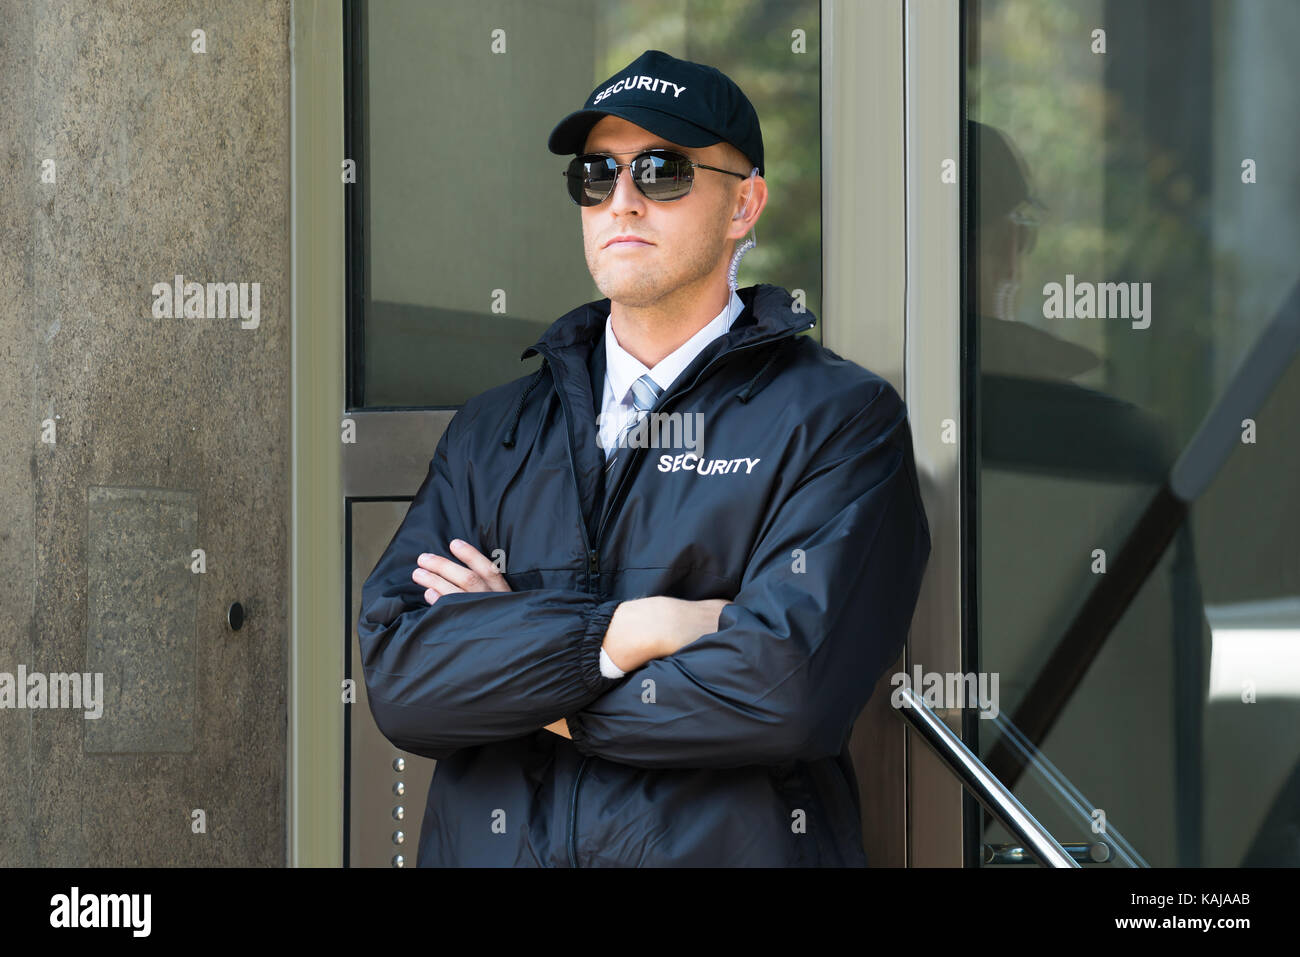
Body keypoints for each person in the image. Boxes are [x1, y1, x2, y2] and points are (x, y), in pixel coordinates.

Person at [357, 49, 931, 867]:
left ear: (745, 204)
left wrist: (522, 677)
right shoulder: (494, 431)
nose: (621, 200)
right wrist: (636, 631)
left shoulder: (838, 421)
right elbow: (403, 682)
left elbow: (785, 693)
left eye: (661, 171)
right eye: (596, 175)